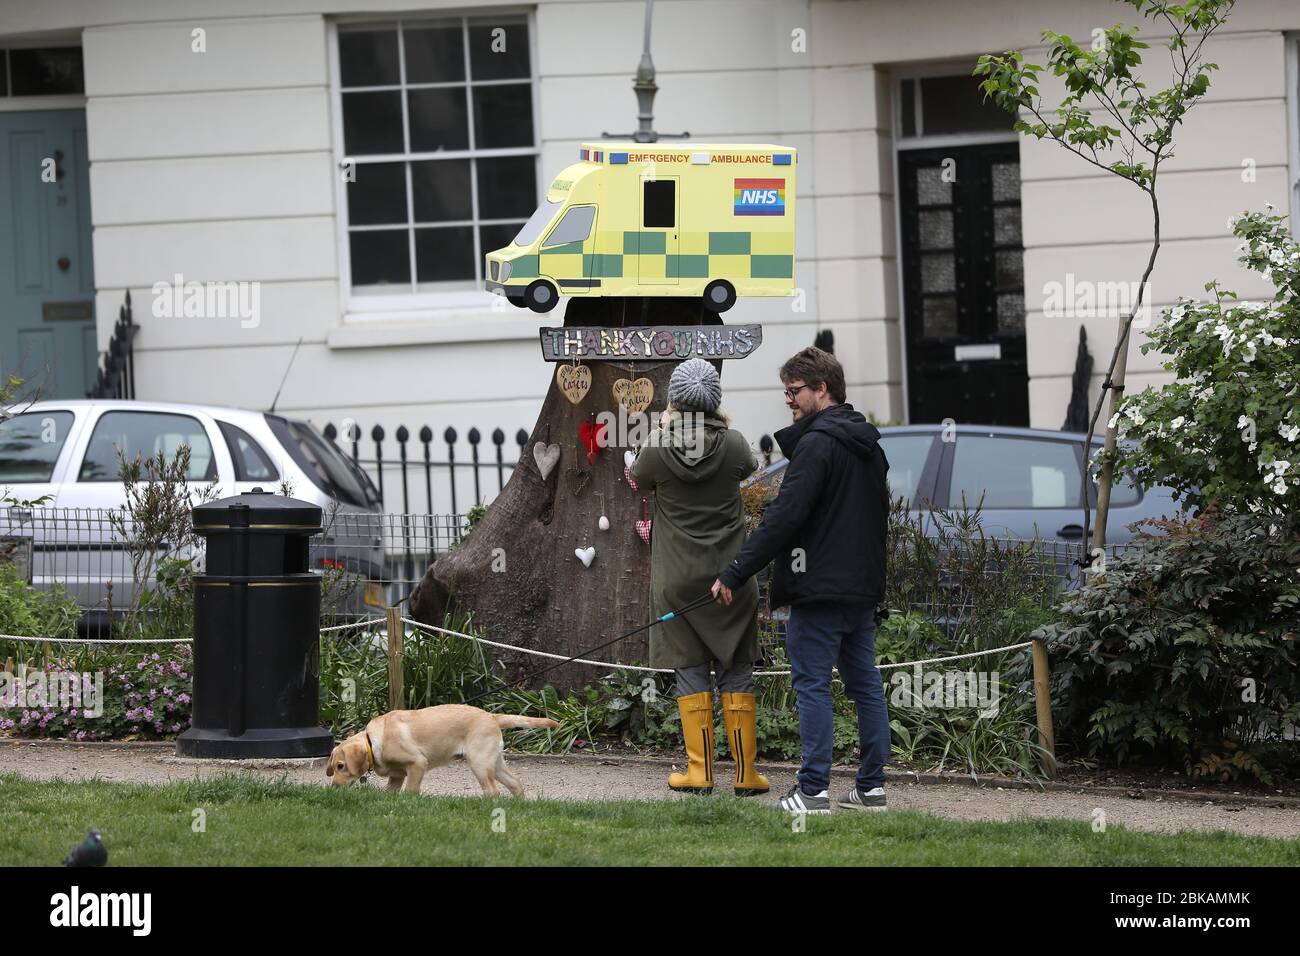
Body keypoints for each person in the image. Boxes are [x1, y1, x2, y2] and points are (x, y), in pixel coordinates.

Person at [712, 346, 891, 813]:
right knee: (865, 685)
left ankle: (812, 791)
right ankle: (871, 789)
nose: (789, 401)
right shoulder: (870, 445)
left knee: (811, 684)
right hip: (861, 589)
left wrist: (734, 571)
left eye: (794, 392)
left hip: (818, 589)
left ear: (821, 389)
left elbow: (784, 518)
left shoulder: (817, 444)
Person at [630, 358, 768, 796]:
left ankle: (700, 772)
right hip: (732, 576)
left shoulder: (658, 446)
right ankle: (746, 774)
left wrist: (663, 425)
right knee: (738, 669)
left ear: (674, 400)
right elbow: (750, 470)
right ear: (715, 400)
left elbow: (637, 476)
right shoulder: (733, 444)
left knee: (690, 669)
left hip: (678, 579)